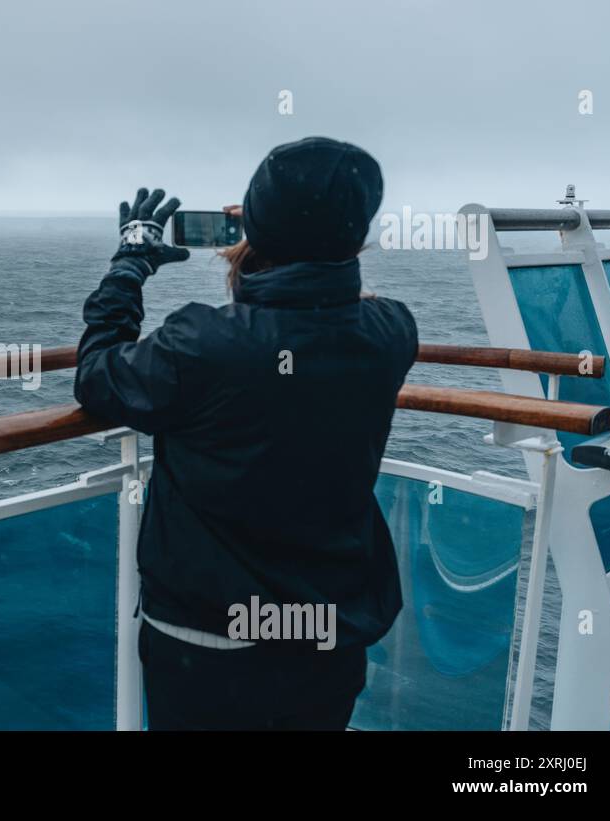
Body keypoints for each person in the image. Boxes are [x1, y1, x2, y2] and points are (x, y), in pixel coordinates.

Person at [73, 136, 418, 730]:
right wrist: (286, 240)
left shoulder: (202, 345)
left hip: (208, 644)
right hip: (328, 635)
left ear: (254, 226)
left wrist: (129, 263)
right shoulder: (392, 331)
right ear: (360, 235)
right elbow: (324, 315)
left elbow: (99, 376)